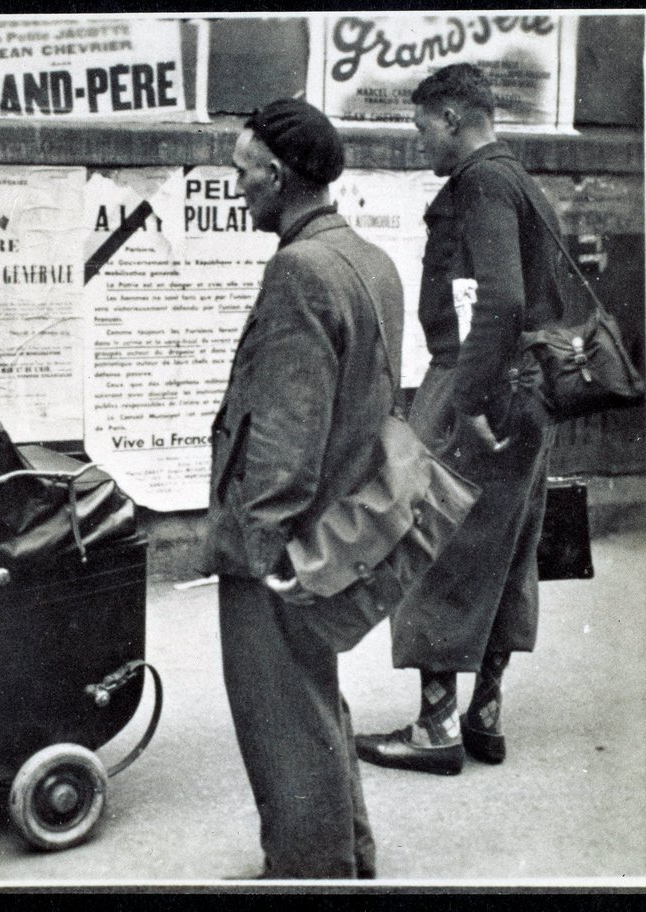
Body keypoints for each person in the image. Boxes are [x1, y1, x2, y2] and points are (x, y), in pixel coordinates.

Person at [201, 99, 404, 879]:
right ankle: (347, 854)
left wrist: (260, 551)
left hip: (287, 538)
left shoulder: (298, 270)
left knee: (280, 715)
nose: (237, 187)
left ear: (279, 176)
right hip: (338, 525)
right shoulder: (366, 258)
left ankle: (308, 871)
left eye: (243, 172)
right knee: (313, 700)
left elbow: (286, 430)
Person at [355, 64, 557, 776]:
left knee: (430, 541)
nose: (420, 142)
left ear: (451, 119)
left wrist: (467, 400)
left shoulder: (482, 184)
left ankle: (436, 728)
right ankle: (484, 717)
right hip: (524, 388)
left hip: (480, 386)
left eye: (422, 128)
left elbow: (501, 299)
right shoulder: (519, 180)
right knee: (506, 550)